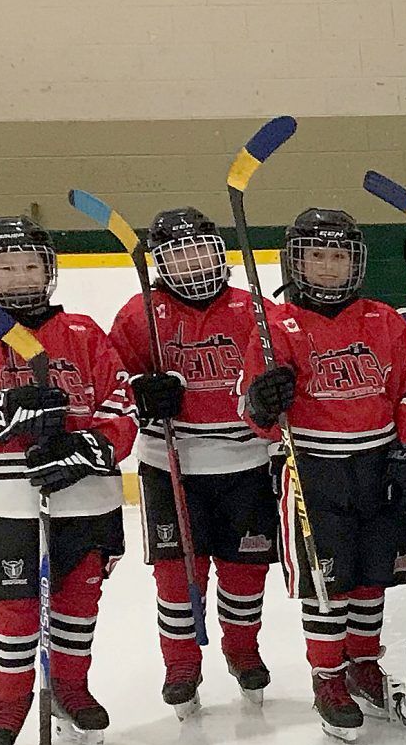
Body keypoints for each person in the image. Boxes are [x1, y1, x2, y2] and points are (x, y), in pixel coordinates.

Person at [0, 218, 137, 745]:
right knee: (14, 605)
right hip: (10, 498)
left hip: (88, 492)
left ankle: (72, 687)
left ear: (48, 269)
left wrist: (89, 446)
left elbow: (121, 403)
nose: (19, 278)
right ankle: (11, 697)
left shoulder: (84, 333)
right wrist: (0, 417)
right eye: (5, 268)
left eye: (30, 265)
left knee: (78, 600)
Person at [239, 208, 406, 735]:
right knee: (328, 579)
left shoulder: (384, 320)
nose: (328, 268)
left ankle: (364, 661)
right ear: (295, 261)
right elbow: (249, 411)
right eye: (317, 256)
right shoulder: (273, 326)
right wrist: (262, 399)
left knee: (373, 573)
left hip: (377, 461)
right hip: (312, 466)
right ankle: (328, 674)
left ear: (357, 263)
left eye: (339, 257)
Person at [108, 204, 281, 709]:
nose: (193, 267)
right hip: (170, 464)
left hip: (245, 463)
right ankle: (181, 664)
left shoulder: (253, 309)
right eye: (180, 258)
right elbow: (113, 388)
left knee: (245, 572)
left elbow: (280, 376)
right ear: (161, 264)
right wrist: (143, 393)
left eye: (201, 253)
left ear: (219, 255)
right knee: (177, 575)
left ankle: (242, 649)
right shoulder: (138, 314)